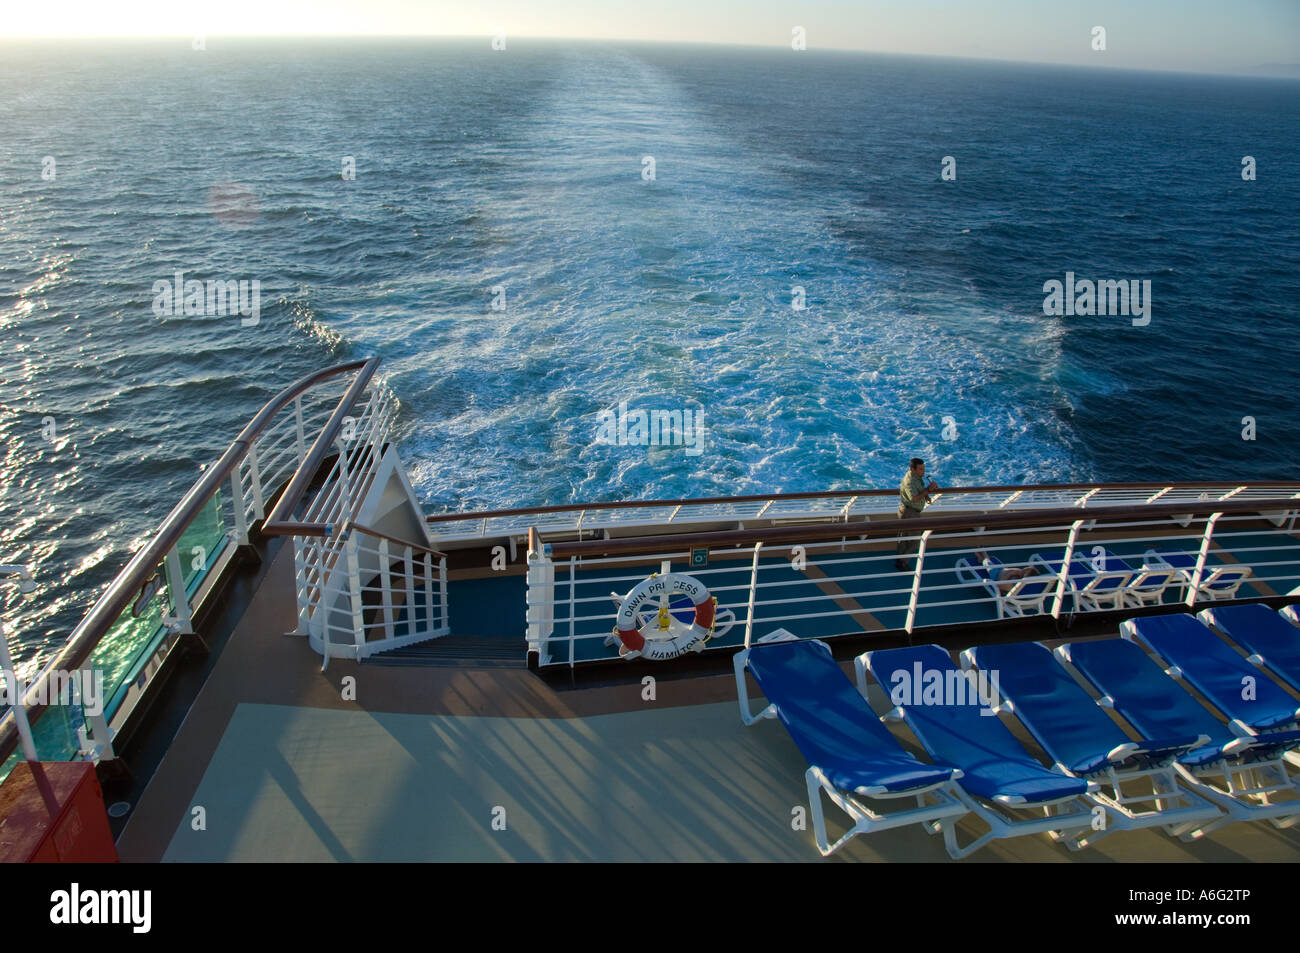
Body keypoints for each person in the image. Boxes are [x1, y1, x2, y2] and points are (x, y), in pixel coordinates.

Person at [895, 458, 939, 571]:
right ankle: (903, 562)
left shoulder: (916, 478)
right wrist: (928, 490)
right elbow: (913, 498)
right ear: (912, 469)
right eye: (920, 469)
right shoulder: (910, 481)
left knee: (904, 539)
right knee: (915, 540)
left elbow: (919, 491)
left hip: (910, 511)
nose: (923, 471)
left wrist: (926, 495)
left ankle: (900, 562)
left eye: (923, 469)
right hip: (909, 512)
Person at [974, 550, 1041, 594]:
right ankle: (983, 556)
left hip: (995, 574)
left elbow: (999, 585)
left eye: (1024, 571)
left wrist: (1009, 575)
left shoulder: (1013, 585)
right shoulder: (1019, 580)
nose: (1022, 571)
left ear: (1025, 577)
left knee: (987, 562)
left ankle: (983, 556)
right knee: (990, 563)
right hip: (1001, 570)